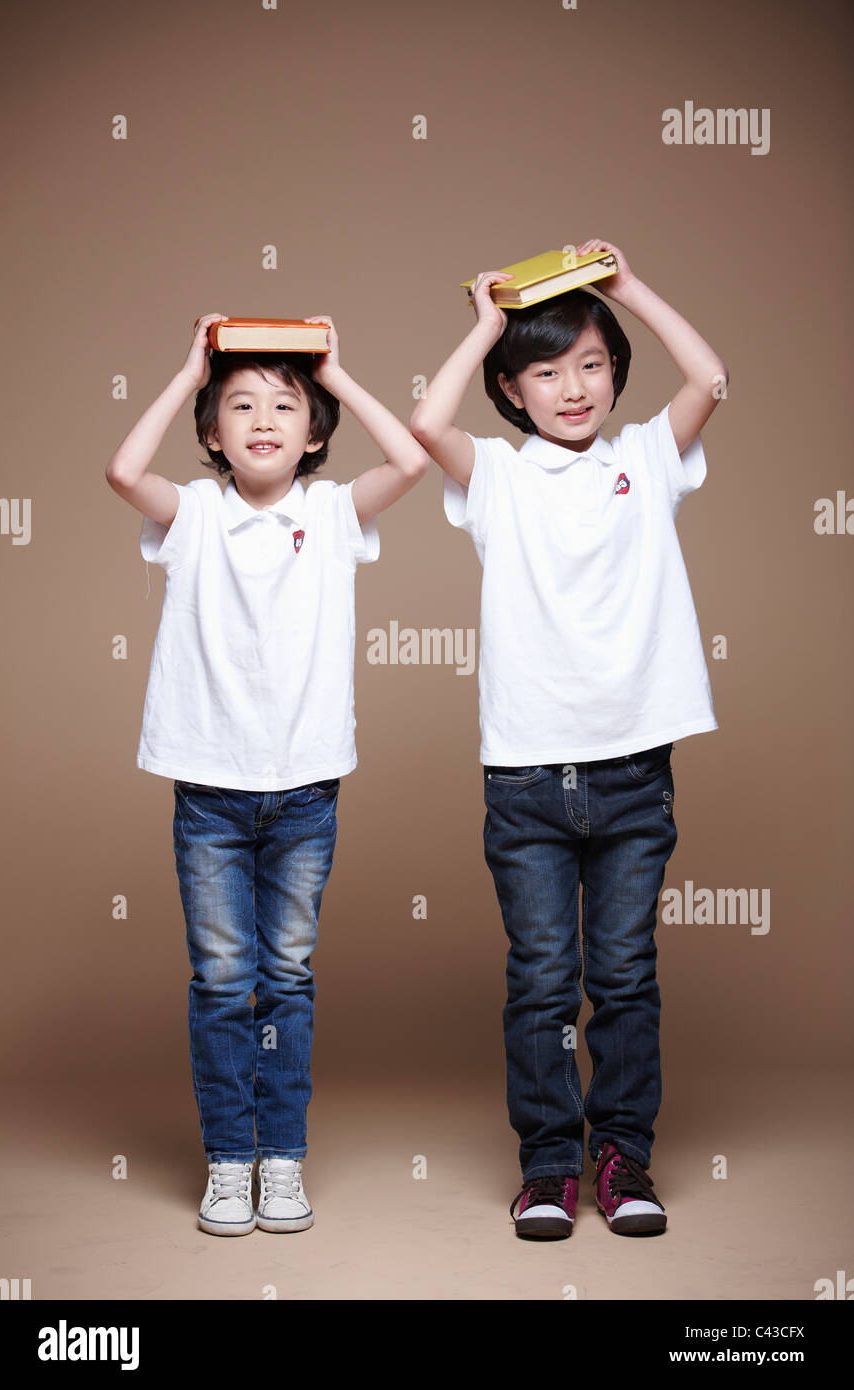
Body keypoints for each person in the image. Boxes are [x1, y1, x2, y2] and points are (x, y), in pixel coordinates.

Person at [411, 239, 727, 1239]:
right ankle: (547, 1164)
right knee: (542, 979)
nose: (573, 386)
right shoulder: (497, 476)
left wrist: (625, 286)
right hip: (527, 780)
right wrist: (482, 325)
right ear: (510, 389)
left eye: (590, 362)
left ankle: (621, 1156)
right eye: (544, 371)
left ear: (614, 369)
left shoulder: (645, 458)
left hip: (634, 772)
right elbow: (425, 421)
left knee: (623, 973)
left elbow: (709, 377)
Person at [106, 312, 427, 1235]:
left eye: (286, 405)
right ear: (211, 431)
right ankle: (229, 1160)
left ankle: (282, 1158)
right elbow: (125, 473)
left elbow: (407, 461)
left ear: (316, 432)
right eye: (239, 404)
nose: (262, 419)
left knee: (285, 977)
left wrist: (337, 369)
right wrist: (187, 368)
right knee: (220, 979)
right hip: (208, 788)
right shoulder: (194, 513)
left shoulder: (331, 513)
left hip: (306, 789)